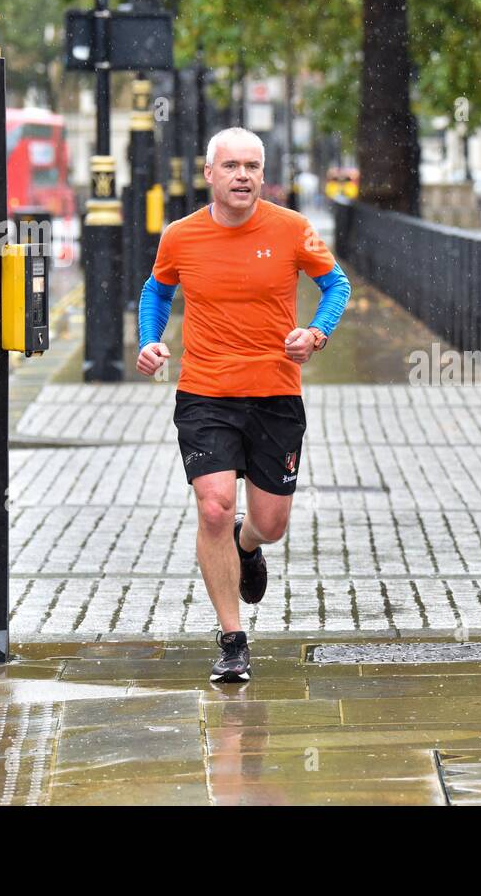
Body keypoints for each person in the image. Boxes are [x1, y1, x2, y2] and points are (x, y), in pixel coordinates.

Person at [136, 127, 351, 683]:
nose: (242, 176)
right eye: (230, 166)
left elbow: (337, 286)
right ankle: (233, 638)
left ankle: (248, 544)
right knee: (212, 506)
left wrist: (316, 333)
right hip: (205, 391)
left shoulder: (290, 229)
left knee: (270, 523)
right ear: (209, 174)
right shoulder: (181, 236)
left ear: (263, 173)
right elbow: (157, 290)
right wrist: (150, 338)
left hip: (276, 393)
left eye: (252, 166)